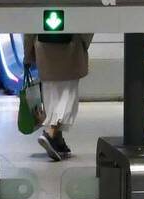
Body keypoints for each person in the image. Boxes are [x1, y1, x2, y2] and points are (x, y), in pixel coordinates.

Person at [22, 32, 92, 161]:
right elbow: (87, 23)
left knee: (50, 94)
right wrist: (83, 44)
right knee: (68, 94)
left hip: (44, 49)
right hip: (71, 47)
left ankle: (58, 143)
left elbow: (29, 28)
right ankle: (51, 133)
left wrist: (27, 55)